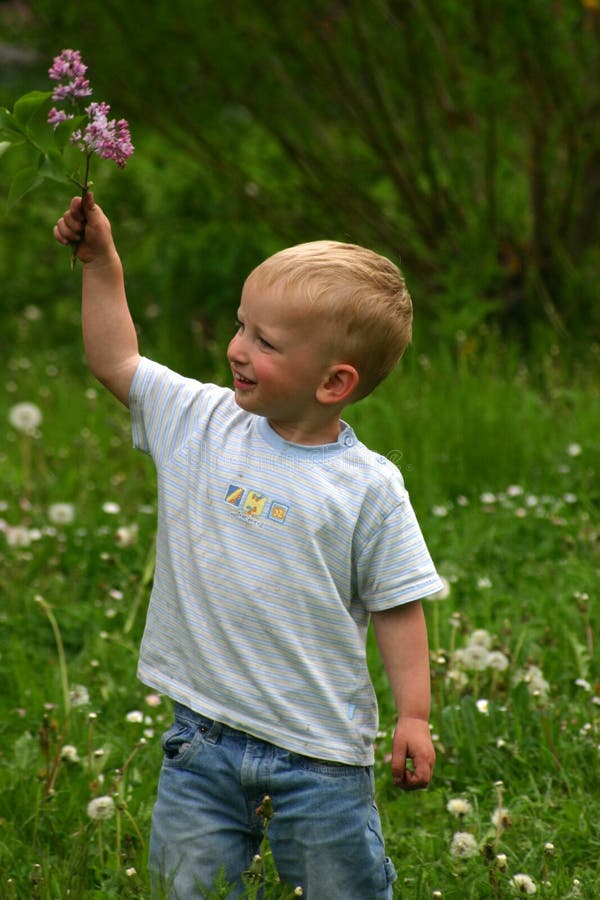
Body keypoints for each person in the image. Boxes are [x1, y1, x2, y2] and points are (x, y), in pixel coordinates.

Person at [54, 193, 442, 900]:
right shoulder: (200, 421)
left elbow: (397, 605)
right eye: (241, 326)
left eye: (266, 342)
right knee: (188, 889)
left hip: (318, 756)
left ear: (334, 382)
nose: (237, 347)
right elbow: (116, 360)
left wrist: (413, 714)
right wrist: (102, 264)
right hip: (200, 739)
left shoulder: (368, 488)